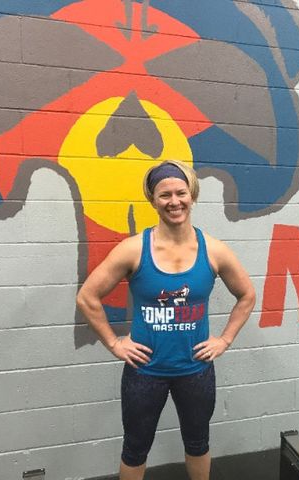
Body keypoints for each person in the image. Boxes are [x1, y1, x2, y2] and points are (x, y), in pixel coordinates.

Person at [76, 160, 256, 480]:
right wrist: (115, 344)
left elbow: (247, 295)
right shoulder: (133, 249)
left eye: (180, 193)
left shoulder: (214, 250)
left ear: (192, 195)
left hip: (196, 371)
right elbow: (87, 297)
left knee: (198, 443)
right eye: (165, 195)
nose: (174, 201)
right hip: (144, 373)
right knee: (135, 448)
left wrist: (224, 340)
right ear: (153, 200)